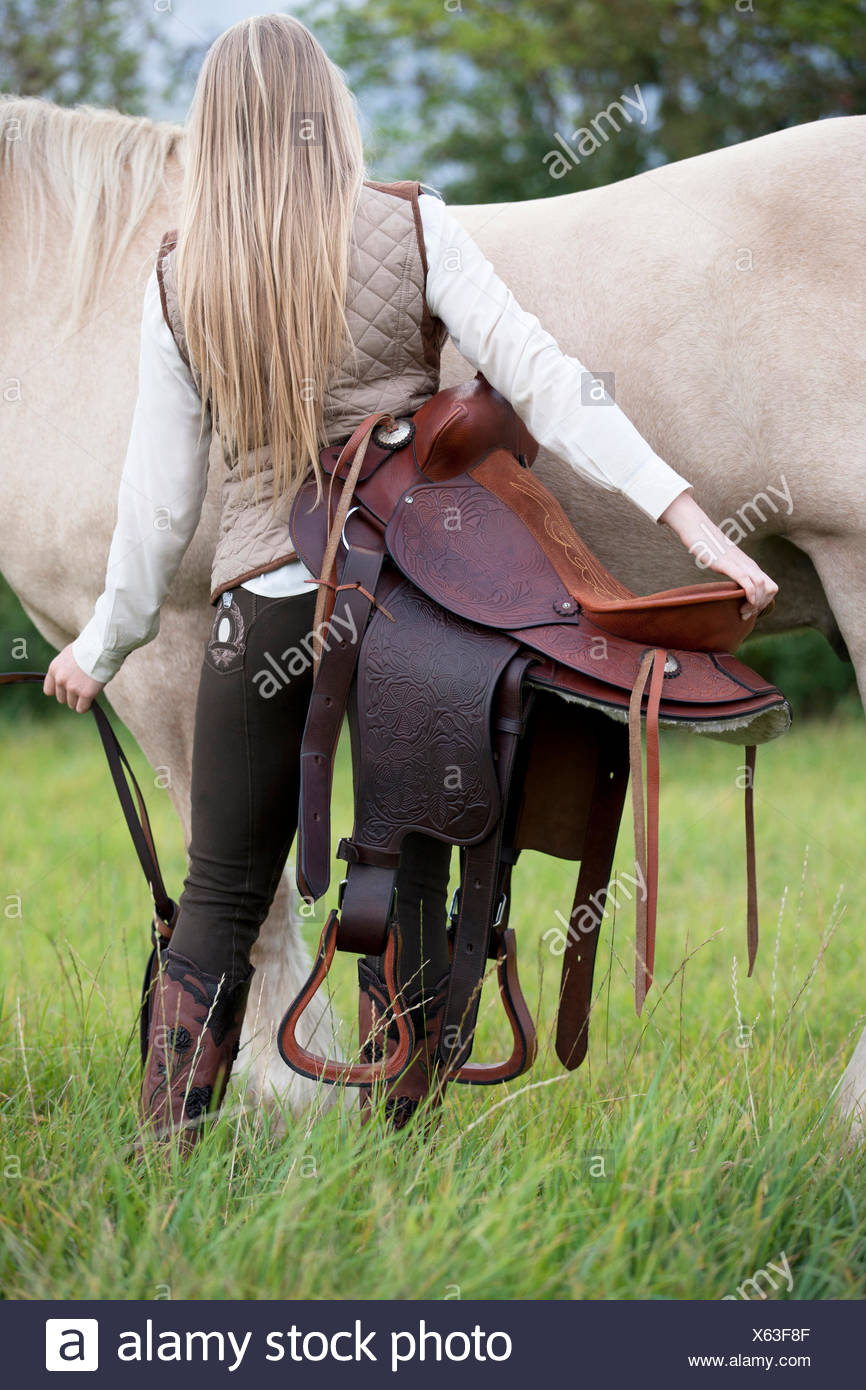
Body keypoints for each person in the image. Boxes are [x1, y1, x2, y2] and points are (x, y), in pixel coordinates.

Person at [43, 14, 777, 1151]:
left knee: (221, 894)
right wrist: (690, 523)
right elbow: (546, 382)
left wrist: (100, 644)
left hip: (265, 600)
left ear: (217, 129)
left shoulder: (184, 275)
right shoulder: (409, 222)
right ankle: (414, 1148)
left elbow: (158, 508)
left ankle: (161, 1152)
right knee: (419, 868)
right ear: (325, 107)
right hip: (417, 608)